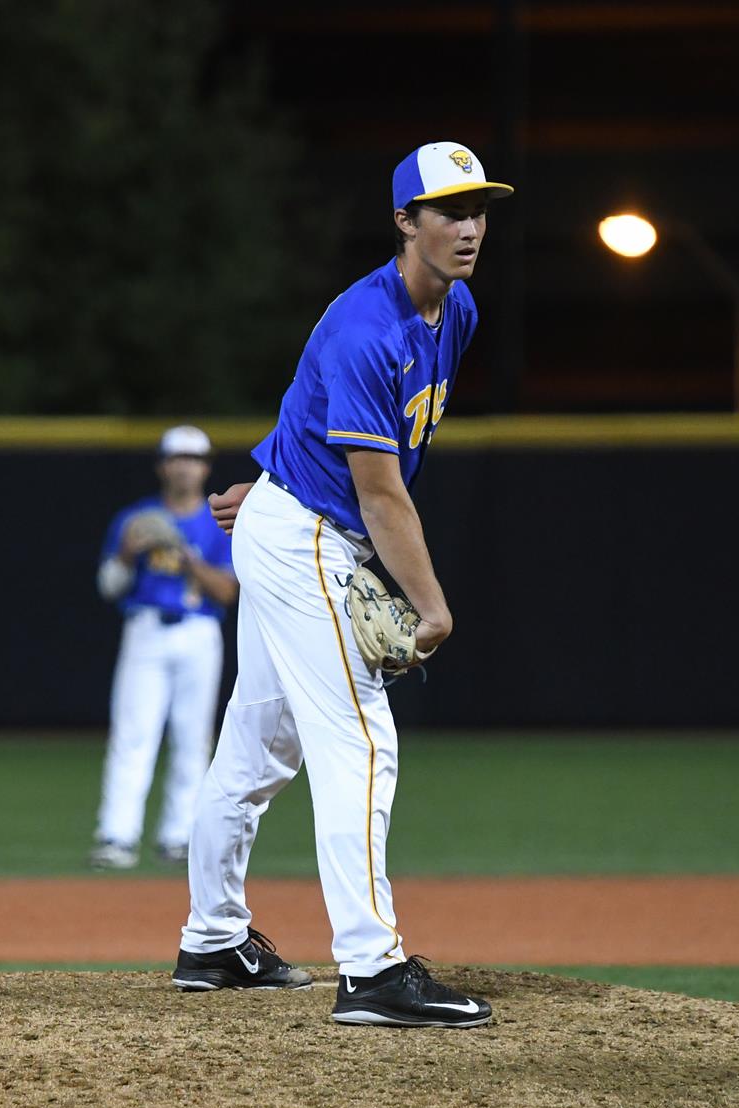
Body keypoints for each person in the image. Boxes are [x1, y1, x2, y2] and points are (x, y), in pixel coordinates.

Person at [170, 142, 510, 1028]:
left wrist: (274, 478)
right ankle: (372, 968)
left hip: (295, 522)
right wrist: (431, 603)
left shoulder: (456, 308)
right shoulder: (367, 325)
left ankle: (212, 939)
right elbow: (382, 488)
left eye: (478, 209)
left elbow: (316, 413)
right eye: (448, 210)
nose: (469, 226)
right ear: (406, 221)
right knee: (359, 741)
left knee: (257, 746)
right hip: (309, 543)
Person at [89, 425, 239, 871]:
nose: (185, 466)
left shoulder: (218, 522)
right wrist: (127, 555)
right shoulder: (135, 518)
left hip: (199, 632)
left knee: (193, 739)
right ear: (162, 464)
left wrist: (188, 558)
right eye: (176, 457)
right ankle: (117, 835)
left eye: (194, 458)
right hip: (146, 629)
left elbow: (228, 593)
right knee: (133, 734)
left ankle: (179, 835)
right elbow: (109, 586)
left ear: (206, 466)